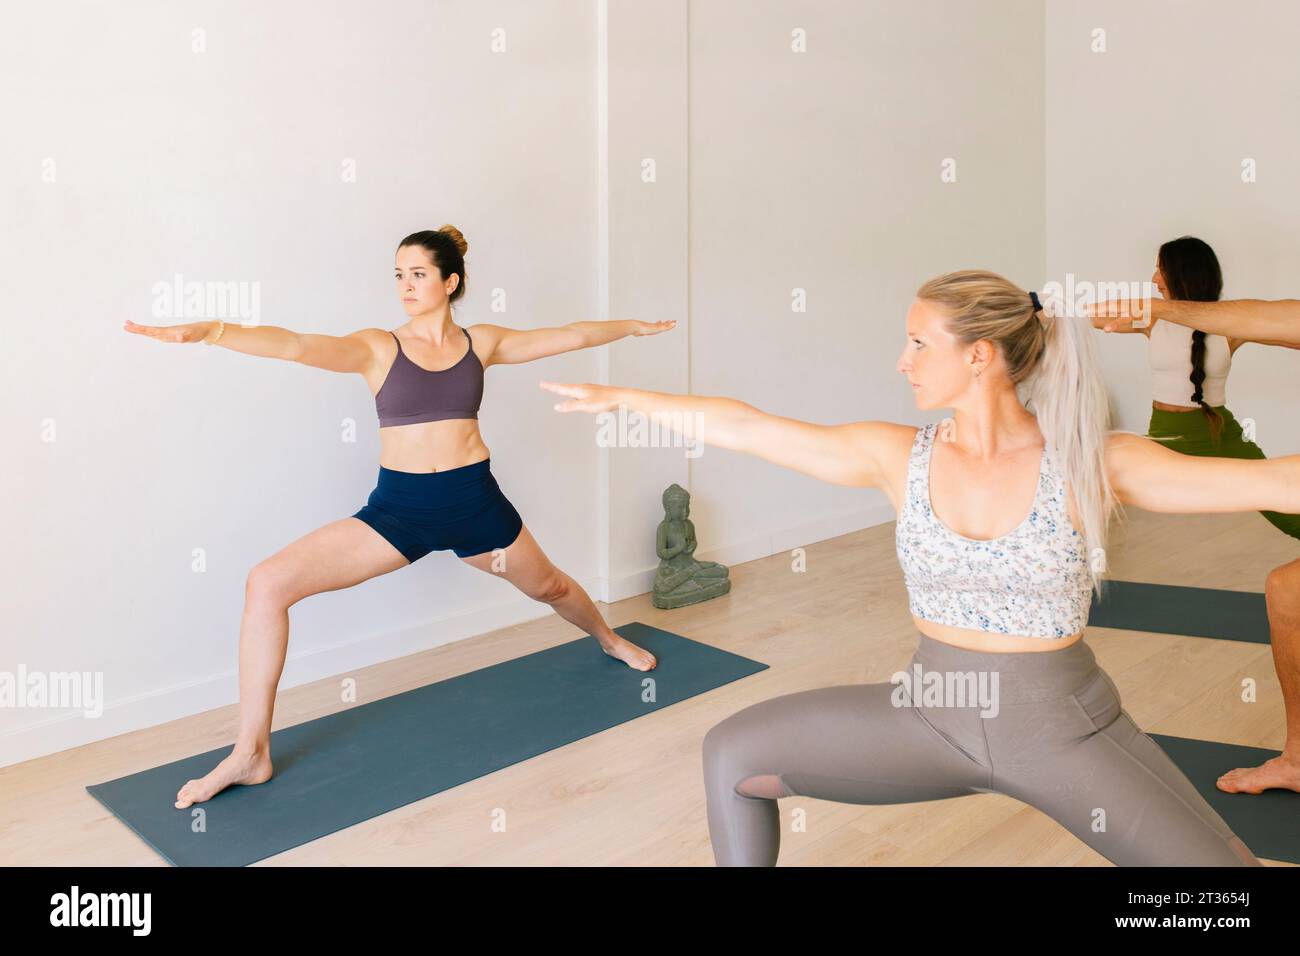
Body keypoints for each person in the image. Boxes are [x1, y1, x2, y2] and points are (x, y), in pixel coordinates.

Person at [541, 269, 1300, 865]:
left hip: (1060, 731)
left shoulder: (1093, 462)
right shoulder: (897, 455)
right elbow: (750, 427)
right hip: (928, 713)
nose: (899, 361)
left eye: (917, 344)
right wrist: (626, 397)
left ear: (978, 355)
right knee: (733, 753)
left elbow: (1278, 482)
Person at [124, 225, 671, 809]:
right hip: (399, 513)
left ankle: (608, 639)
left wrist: (631, 327)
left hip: (475, 505)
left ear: (450, 281)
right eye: (399, 275)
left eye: (417, 274)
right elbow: (295, 344)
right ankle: (250, 752)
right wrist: (212, 331)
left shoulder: (480, 342)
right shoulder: (377, 347)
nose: (405, 286)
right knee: (267, 582)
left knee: (552, 585)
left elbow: (567, 334)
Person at [1095, 289, 1300, 795]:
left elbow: (1265, 319)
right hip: (1176, 431)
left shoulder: (1225, 323)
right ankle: (1297, 762)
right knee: (1288, 590)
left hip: (1213, 429)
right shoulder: (1165, 318)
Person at [1088, 235, 1300, 540]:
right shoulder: (1153, 319)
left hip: (1218, 432)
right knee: (1097, 486)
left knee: (1287, 511)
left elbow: (1290, 334)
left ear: (1181, 273)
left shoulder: (1230, 326)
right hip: (1164, 435)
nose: (1154, 279)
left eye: (1160, 270)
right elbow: (1094, 317)